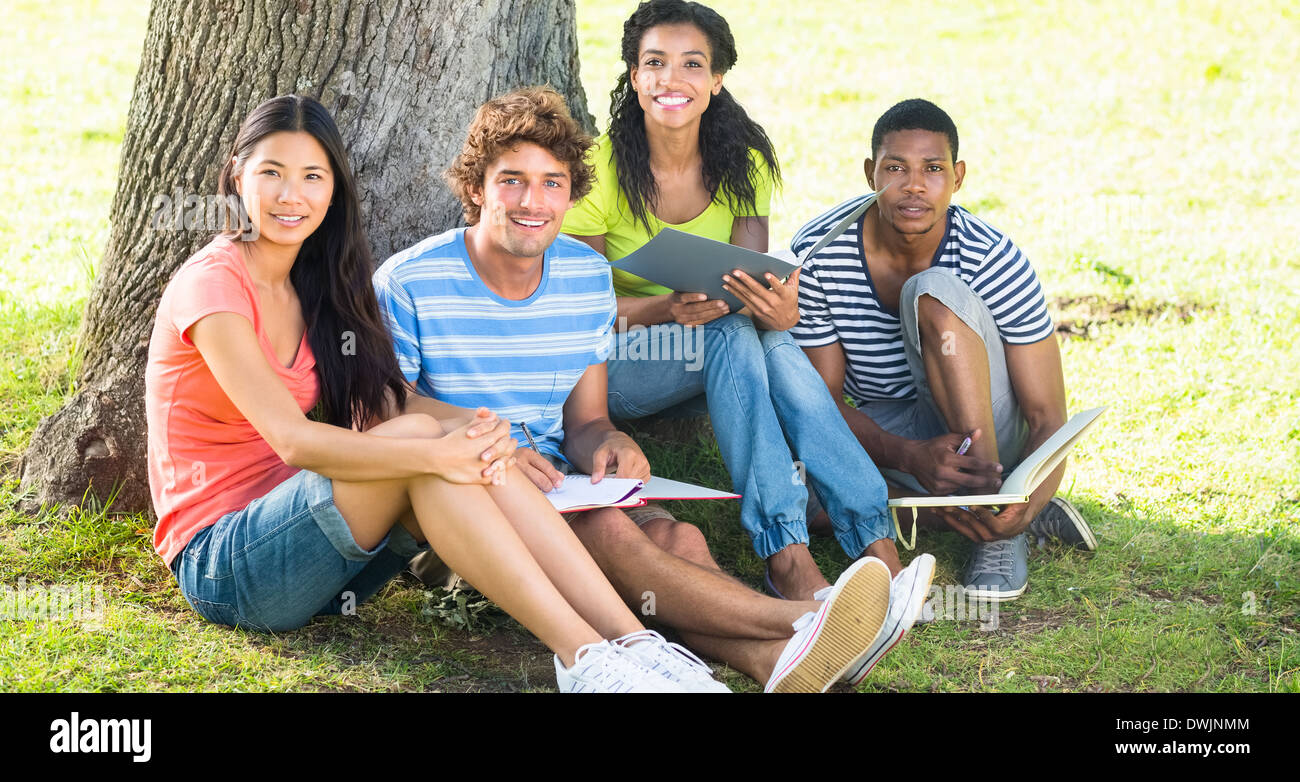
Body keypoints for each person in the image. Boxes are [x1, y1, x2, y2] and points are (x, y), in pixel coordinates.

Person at [144, 94, 734, 693]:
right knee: (427, 446)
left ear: (333, 190)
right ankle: (585, 660)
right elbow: (293, 442)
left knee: (457, 437)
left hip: (326, 552)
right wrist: (437, 449)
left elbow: (385, 397)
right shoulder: (214, 283)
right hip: (229, 563)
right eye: (271, 173)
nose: (290, 195)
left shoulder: (315, 279)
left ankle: (631, 646)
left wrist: (479, 427)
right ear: (236, 176)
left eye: (311, 176)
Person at [377, 85, 931, 692]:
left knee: (678, 536)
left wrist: (608, 443)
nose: (532, 202)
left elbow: (587, 421)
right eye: (511, 180)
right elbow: (388, 411)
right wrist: (495, 440)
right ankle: (809, 618)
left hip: (561, 483)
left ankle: (774, 663)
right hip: (464, 508)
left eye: (552, 183)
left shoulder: (584, 275)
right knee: (612, 531)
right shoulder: (412, 280)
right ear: (476, 188)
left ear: (569, 195)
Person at [560, 0, 926, 610]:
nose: (671, 80)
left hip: (718, 344)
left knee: (766, 335)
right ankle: (806, 552)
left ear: (717, 80)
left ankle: (865, 548)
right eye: (654, 63)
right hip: (615, 361)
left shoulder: (742, 161)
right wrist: (664, 310)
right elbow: (579, 313)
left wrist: (778, 309)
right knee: (732, 334)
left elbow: (749, 290)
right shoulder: (598, 171)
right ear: (633, 76)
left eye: (692, 64)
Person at [792, 98, 1099, 603]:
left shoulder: (992, 256)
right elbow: (818, 405)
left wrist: (1022, 497)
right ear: (871, 174)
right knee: (797, 499)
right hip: (885, 433)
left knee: (933, 291)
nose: (914, 185)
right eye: (896, 168)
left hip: (982, 428)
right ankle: (990, 512)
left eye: (932, 169)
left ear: (957, 177)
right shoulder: (819, 253)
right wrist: (908, 455)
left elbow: (1047, 416)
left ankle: (999, 515)